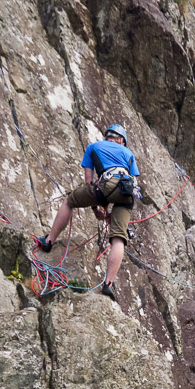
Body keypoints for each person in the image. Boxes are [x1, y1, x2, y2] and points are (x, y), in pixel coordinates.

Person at [38, 124, 141, 300]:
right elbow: (133, 183)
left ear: (108, 137)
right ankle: (108, 284)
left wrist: (96, 208)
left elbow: (89, 182)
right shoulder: (128, 153)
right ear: (121, 140)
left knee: (70, 201)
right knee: (118, 237)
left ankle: (48, 241)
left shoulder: (94, 147)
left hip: (107, 184)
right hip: (128, 193)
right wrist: (108, 212)